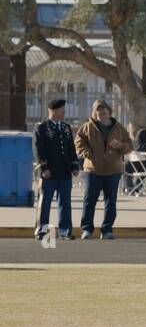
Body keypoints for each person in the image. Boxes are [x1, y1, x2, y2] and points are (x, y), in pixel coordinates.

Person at [75, 100, 133, 240]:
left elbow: (130, 145)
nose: (102, 116)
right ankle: (87, 229)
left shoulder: (119, 128)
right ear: (94, 114)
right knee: (89, 201)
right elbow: (78, 143)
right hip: (93, 171)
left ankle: (107, 230)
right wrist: (89, 153)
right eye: (99, 113)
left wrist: (120, 145)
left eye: (104, 113)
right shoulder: (87, 127)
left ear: (109, 113)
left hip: (113, 171)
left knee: (110, 202)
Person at [33, 98, 81, 240]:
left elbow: (71, 149)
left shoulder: (65, 127)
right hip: (49, 172)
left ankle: (65, 231)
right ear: (53, 111)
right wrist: (43, 167)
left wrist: (74, 165)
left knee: (65, 203)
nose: (64, 112)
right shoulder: (42, 128)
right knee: (45, 202)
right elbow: (38, 150)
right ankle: (41, 231)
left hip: (64, 172)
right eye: (61, 110)